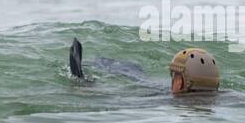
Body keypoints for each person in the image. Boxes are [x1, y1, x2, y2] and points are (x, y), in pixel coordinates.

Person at [69, 39, 221, 96]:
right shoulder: (226, 98)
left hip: (150, 86)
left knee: (137, 79)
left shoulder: (172, 101)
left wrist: (85, 87)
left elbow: (114, 98)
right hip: (153, 85)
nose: (172, 80)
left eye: (173, 75)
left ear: (181, 82)